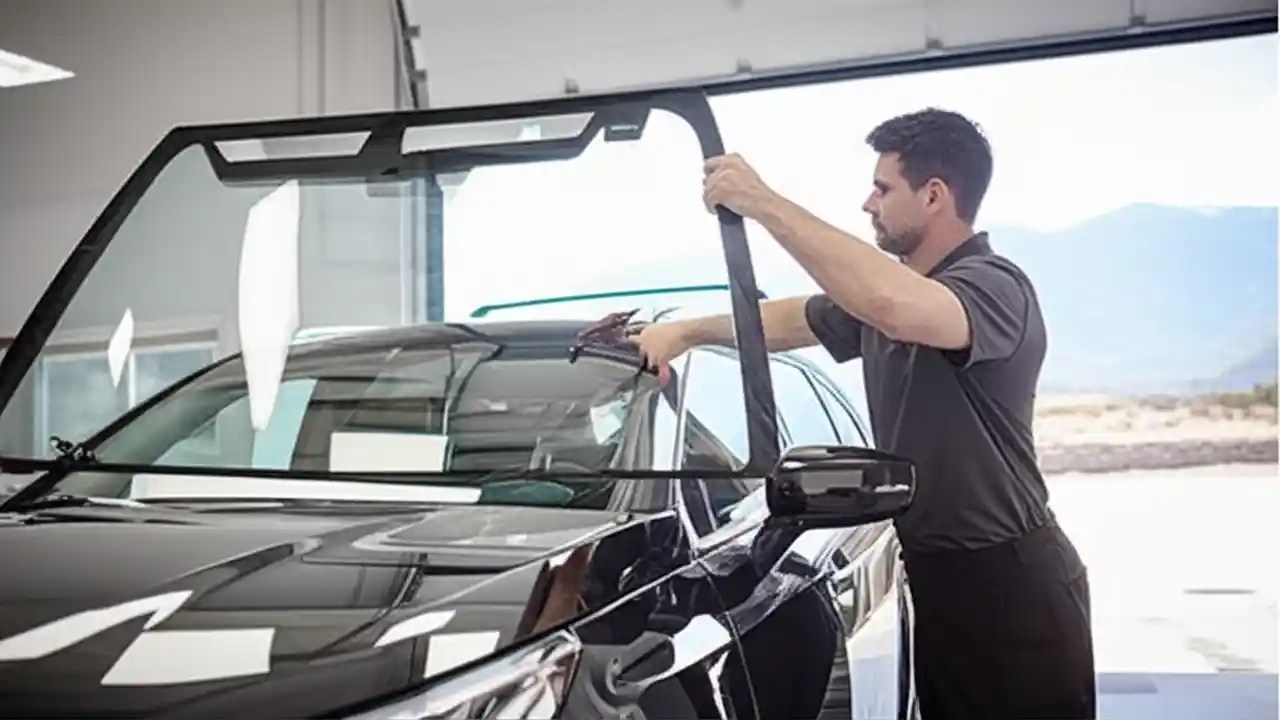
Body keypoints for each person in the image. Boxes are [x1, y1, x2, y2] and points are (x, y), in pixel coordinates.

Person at [633, 108, 1096, 719]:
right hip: (939, 581)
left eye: (883, 188)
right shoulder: (889, 297)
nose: (867, 203)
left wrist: (763, 203)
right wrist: (686, 332)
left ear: (934, 196)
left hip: (1010, 589)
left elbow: (890, 303)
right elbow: (793, 319)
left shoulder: (993, 286)